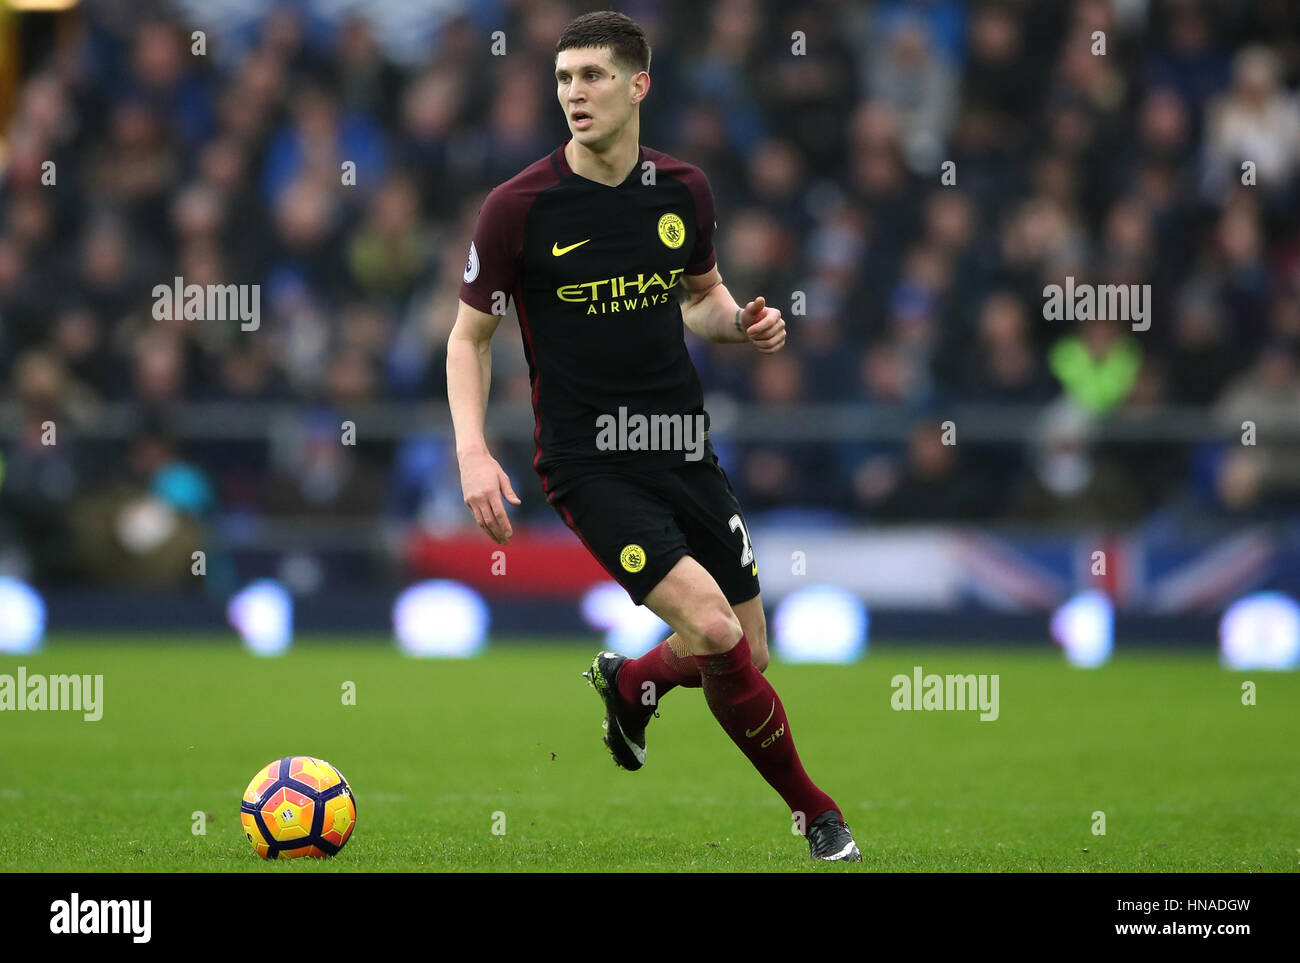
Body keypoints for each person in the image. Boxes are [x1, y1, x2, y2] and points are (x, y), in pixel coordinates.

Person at [446, 10, 859, 861]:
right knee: (712, 628)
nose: (574, 94)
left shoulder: (683, 190)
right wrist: (472, 450)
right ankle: (818, 814)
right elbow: (468, 337)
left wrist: (743, 324)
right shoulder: (517, 207)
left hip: (680, 442)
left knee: (750, 650)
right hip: (589, 462)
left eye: (592, 76)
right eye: (563, 79)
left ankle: (633, 681)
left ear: (639, 85)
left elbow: (700, 297)